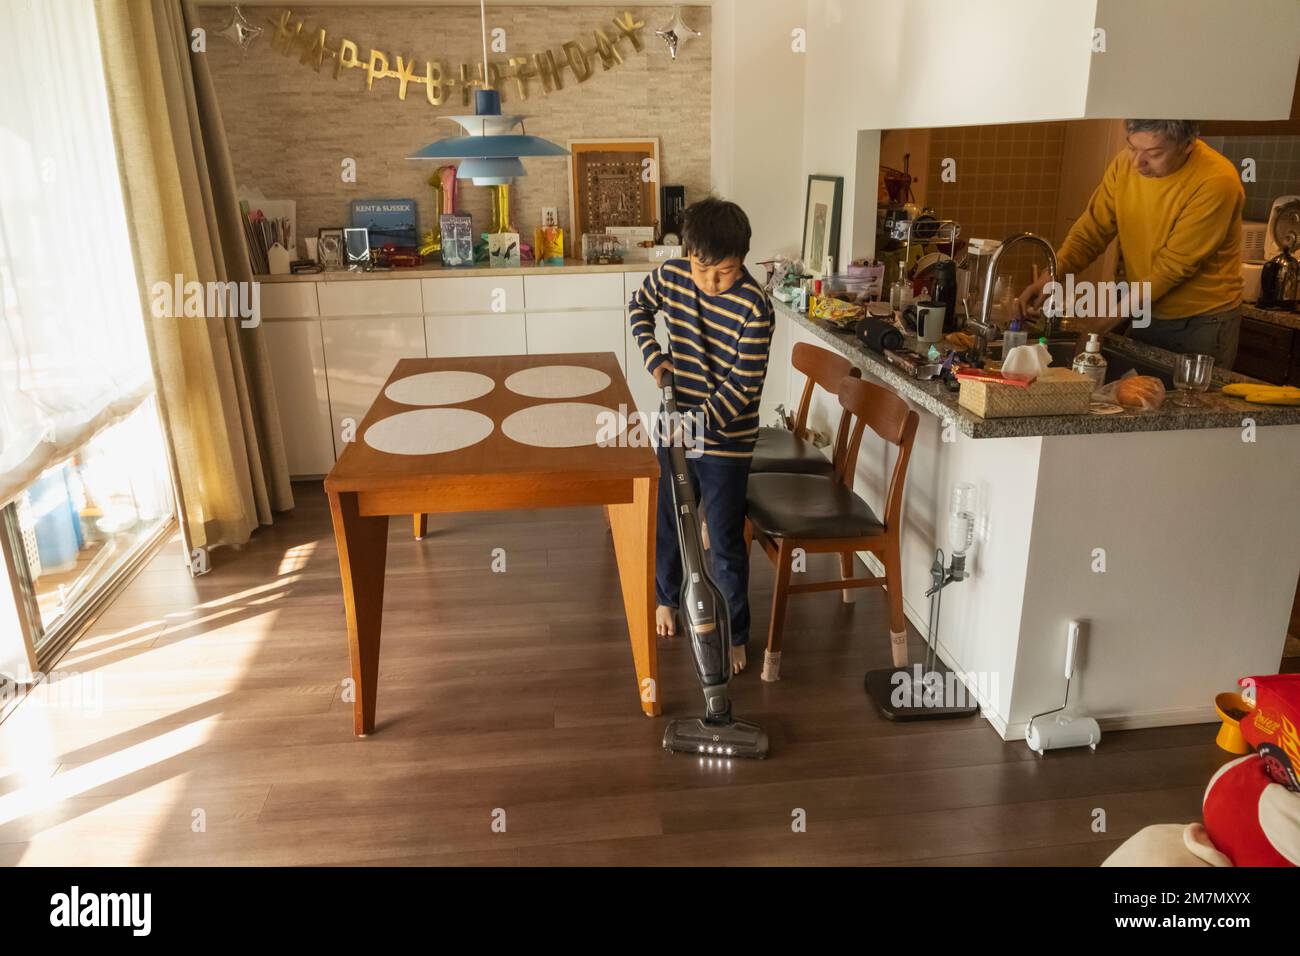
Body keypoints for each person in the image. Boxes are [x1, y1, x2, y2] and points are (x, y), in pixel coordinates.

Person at [627, 198, 773, 675]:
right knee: (669, 521)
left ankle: (734, 633)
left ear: (744, 261)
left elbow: (741, 389)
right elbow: (638, 308)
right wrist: (655, 359)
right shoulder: (671, 277)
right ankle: (665, 598)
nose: (711, 283)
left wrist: (694, 431)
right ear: (687, 253)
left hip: (728, 441)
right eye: (702, 270)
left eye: (725, 272)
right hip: (676, 421)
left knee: (725, 540)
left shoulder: (755, 306)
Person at [1017, 119, 1245, 366]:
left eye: (1154, 153)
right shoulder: (1124, 166)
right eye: (1132, 147)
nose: (1138, 163)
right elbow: (1092, 230)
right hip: (1146, 308)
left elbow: (1170, 269)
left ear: (1188, 144)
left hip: (1202, 323)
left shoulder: (1216, 181)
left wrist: (1098, 327)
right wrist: (1051, 274)